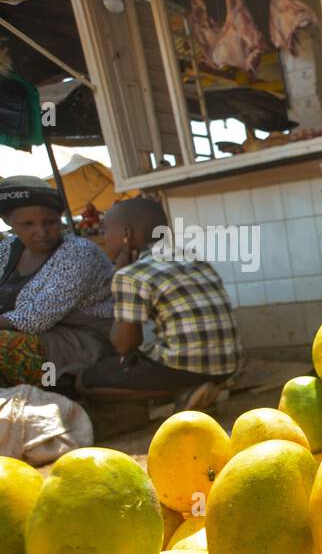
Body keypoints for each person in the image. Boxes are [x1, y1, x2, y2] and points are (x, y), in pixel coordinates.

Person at [79, 196, 242, 412]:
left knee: (85, 381)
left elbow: (124, 345)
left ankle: (186, 391)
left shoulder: (131, 274)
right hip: (229, 365)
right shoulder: (193, 259)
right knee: (153, 352)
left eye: (106, 231)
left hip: (185, 368)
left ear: (126, 234)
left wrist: (119, 275)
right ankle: (206, 386)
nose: (104, 238)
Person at [0, 176, 115, 388]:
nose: (41, 232)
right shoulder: (7, 249)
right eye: (28, 224)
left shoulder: (79, 253)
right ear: (7, 220)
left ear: (59, 216)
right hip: (41, 337)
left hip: (83, 344)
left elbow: (34, 319)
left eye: (50, 222)